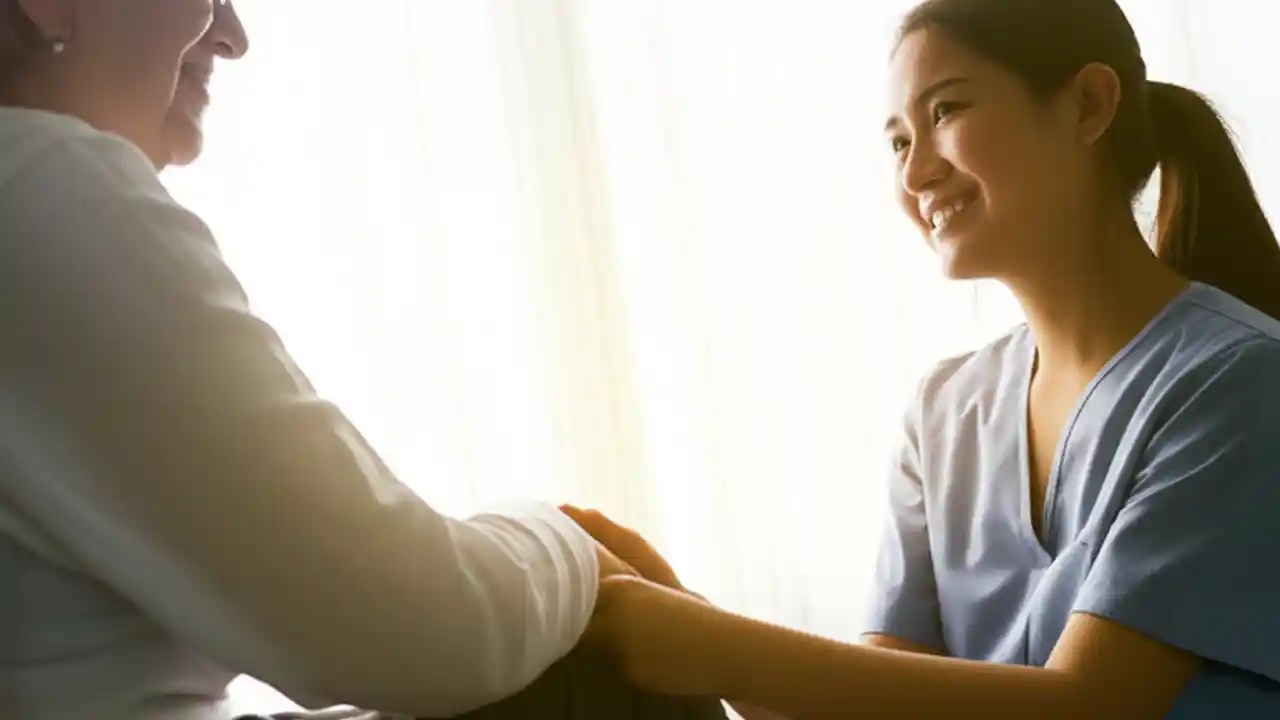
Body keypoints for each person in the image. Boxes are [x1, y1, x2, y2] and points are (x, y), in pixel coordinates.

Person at [0, 2, 727, 719]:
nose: (232, 36)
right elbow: (426, 631)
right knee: (589, 671)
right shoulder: (41, 189)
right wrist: (572, 543)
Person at [570, 0, 1280, 717]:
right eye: (898, 142)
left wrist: (707, 644)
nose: (916, 174)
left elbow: (1089, 707)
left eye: (944, 112)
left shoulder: (1239, 381)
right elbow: (875, 703)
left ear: (1089, 106)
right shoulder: (942, 414)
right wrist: (682, 614)